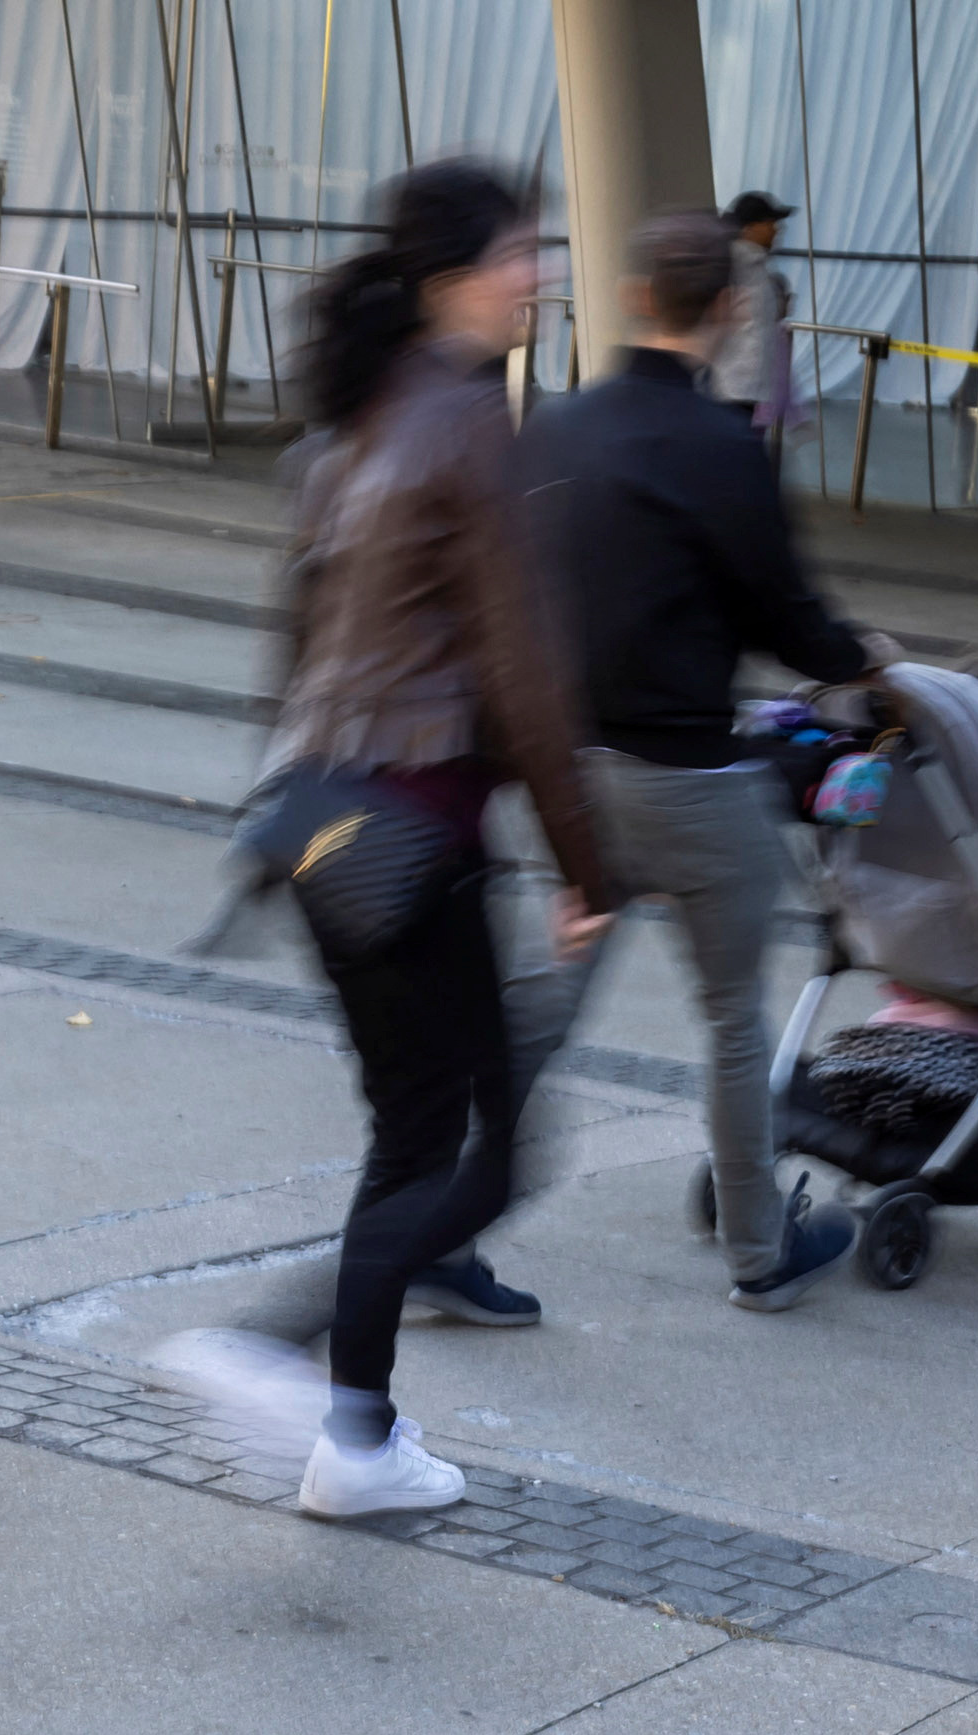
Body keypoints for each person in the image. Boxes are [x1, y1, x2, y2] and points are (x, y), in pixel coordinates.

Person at [206, 159, 619, 1522]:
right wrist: (585, 863)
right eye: (521, 254)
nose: (539, 276)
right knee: (492, 1151)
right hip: (417, 828)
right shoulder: (459, 421)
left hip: (320, 824)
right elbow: (527, 673)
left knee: (411, 1133)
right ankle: (274, 1344)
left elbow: (298, 632)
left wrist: (280, 809)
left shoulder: (355, 417)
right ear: (450, 274)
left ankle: (359, 1444)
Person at [523, 210, 894, 1313]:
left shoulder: (554, 430)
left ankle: (443, 1213)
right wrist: (863, 669)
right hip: (687, 783)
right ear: (727, 308)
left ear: (635, 296)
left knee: (541, 1012)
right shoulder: (721, 449)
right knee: (733, 1021)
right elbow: (789, 620)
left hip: (573, 781)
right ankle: (756, 1251)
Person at [715, 192, 794, 435]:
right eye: (769, 223)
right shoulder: (731, 264)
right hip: (734, 390)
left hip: (752, 388)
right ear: (749, 227)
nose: (776, 229)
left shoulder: (759, 266)